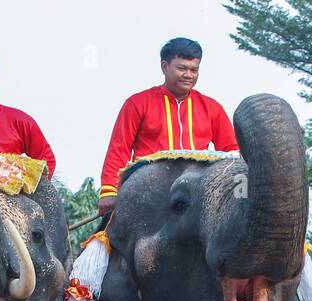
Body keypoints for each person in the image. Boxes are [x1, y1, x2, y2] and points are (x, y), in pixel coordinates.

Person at [97, 37, 238, 215]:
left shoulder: (212, 108)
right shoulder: (137, 103)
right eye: (182, 68)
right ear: (164, 67)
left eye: (194, 70)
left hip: (196, 195)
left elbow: (232, 152)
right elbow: (119, 150)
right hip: (147, 192)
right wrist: (109, 190)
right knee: (100, 243)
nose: (189, 75)